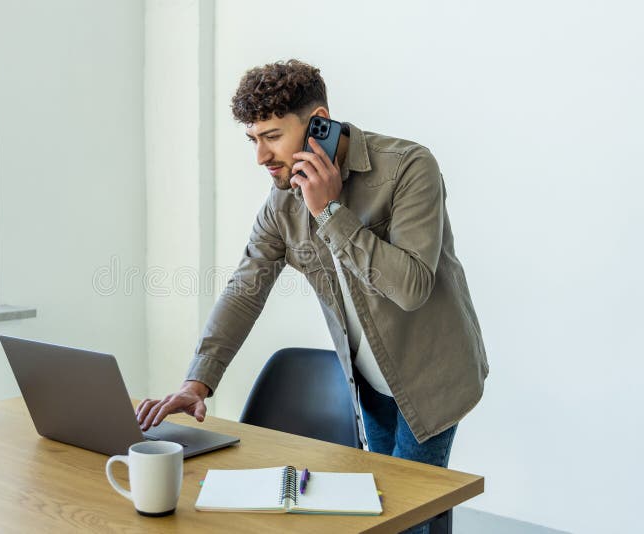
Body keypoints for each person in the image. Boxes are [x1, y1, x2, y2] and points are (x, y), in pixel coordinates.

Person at [137, 58, 488, 495]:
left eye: (272, 137)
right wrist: (197, 382)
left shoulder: (408, 167)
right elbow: (245, 290)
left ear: (318, 122)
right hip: (369, 382)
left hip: (430, 376)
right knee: (382, 501)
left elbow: (411, 288)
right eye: (253, 139)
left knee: (410, 510)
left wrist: (329, 211)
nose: (261, 157)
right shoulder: (281, 204)